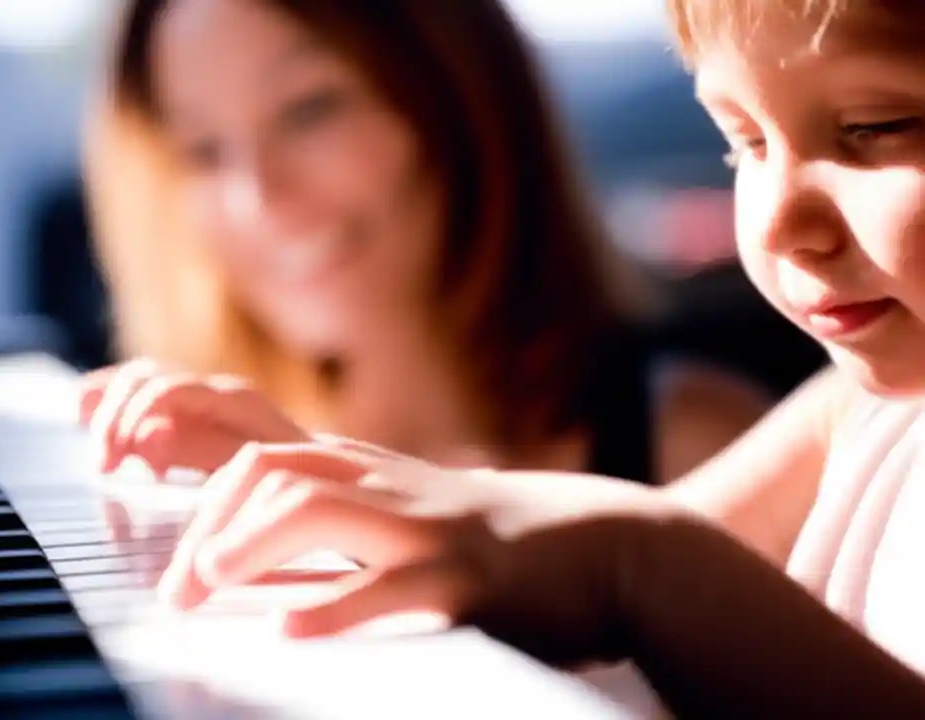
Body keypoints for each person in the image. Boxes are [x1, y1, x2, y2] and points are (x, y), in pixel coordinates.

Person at [85, 0, 925, 716]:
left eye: (873, 127)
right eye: (740, 143)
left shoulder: (775, 414)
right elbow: (553, 572)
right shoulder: (855, 411)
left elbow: (638, 566)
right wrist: (325, 499)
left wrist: (641, 564)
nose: (774, 222)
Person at [78, 0, 766, 488]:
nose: (258, 198)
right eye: (203, 150)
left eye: (310, 108)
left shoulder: (704, 447)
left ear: (462, 99)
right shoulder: (182, 480)